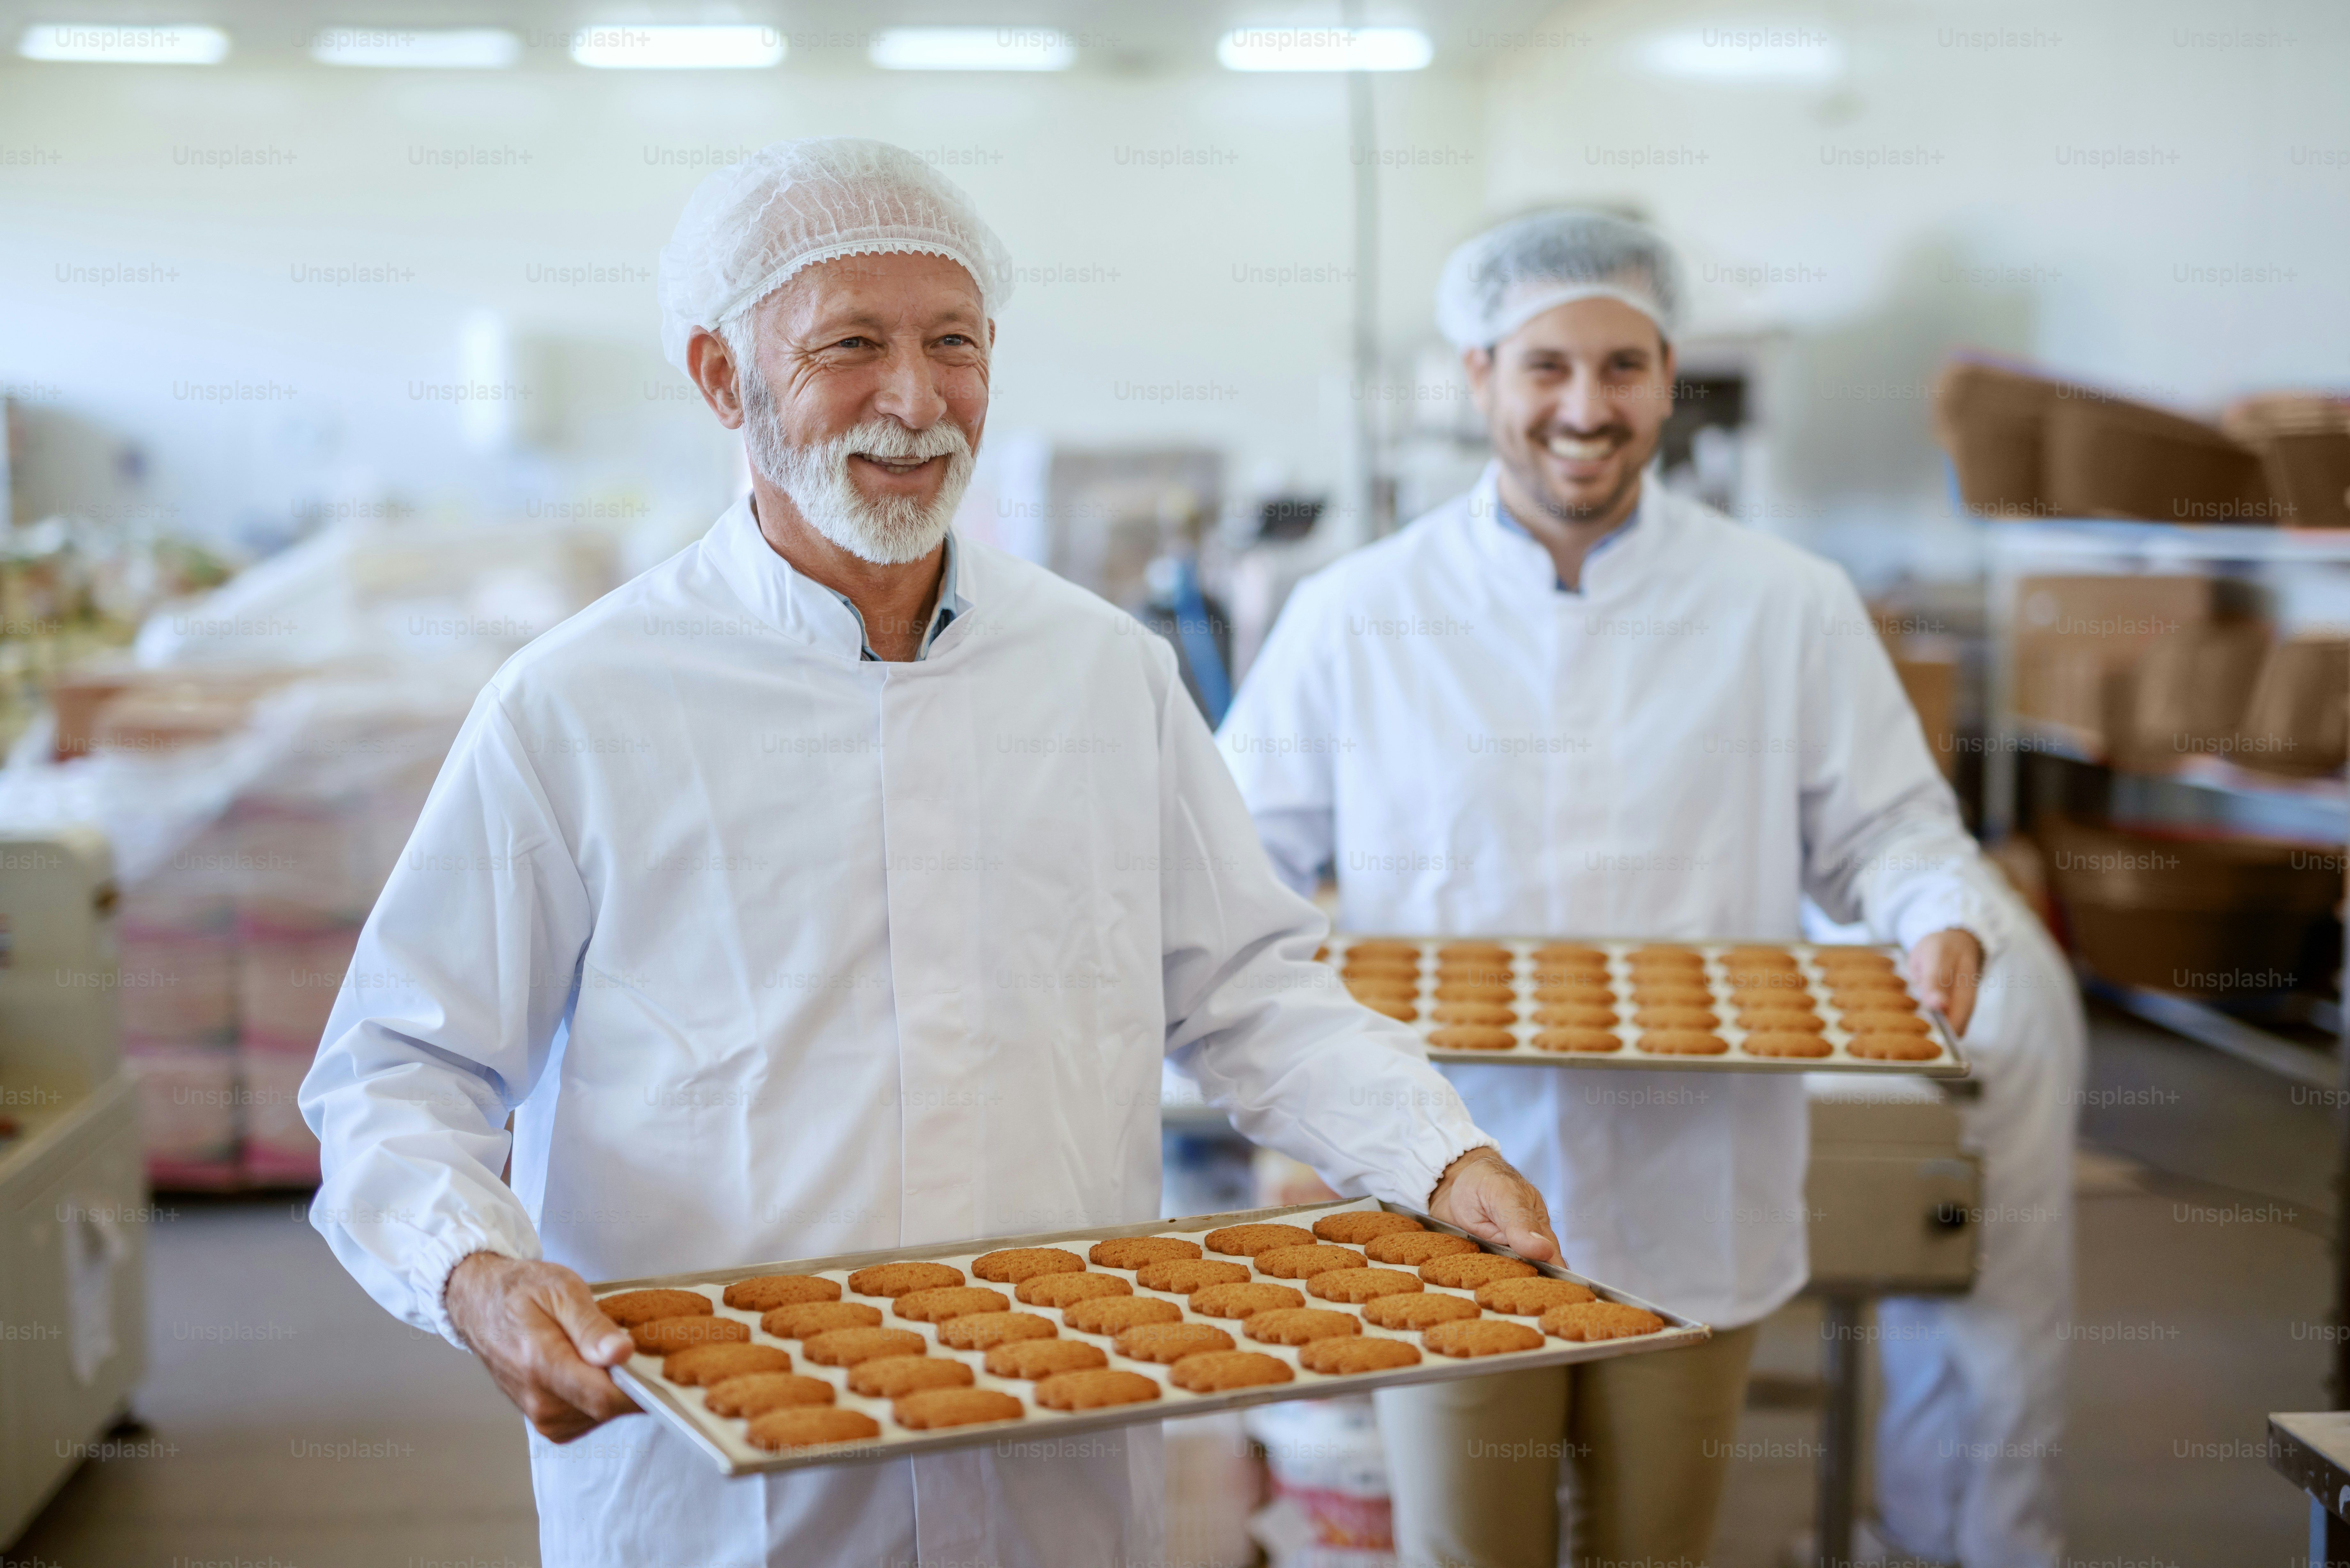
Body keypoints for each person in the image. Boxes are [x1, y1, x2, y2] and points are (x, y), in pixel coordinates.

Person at [299, 137, 1558, 1568]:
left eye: (952, 343)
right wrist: (473, 1270)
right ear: (724, 376)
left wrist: (1435, 1153)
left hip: (1052, 1450)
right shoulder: (580, 703)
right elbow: (400, 1064)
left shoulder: (1102, 674)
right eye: (850, 345)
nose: (914, 398)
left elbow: (1248, 991)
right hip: (724, 1482)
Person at [1216, 209, 2012, 1568]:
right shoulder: (1358, 612)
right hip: (1444, 1189)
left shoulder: (1784, 603)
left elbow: (1887, 828)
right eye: (1545, 367)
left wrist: (1940, 911)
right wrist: (1286, 1098)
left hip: (1694, 1193)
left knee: (1660, 1551)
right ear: (1476, 375)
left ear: (1667, 372)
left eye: (1623, 366)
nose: (1585, 407)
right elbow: (1230, 872)